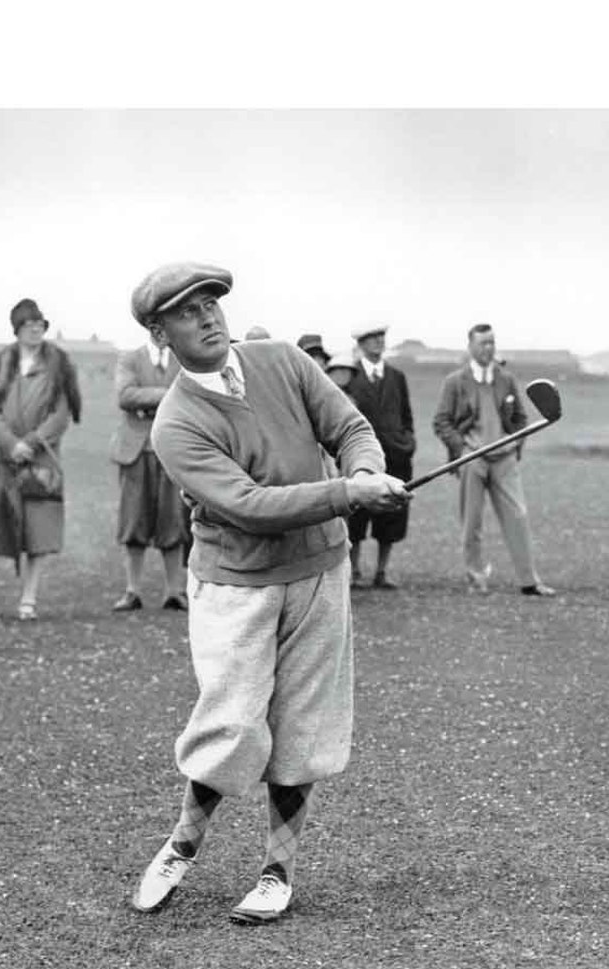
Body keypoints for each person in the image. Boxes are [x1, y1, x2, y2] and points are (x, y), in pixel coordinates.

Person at [127, 261, 409, 924]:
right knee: (230, 725)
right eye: (187, 313)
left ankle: (277, 872)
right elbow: (251, 506)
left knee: (304, 727)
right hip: (237, 585)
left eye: (212, 305)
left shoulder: (282, 359)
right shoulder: (176, 424)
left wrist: (366, 468)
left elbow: (349, 427)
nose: (208, 319)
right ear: (160, 333)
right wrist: (347, 492)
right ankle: (182, 845)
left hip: (319, 570)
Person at [0, 299, 81, 621]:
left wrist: (32, 443)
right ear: (17, 329)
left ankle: (28, 599)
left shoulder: (58, 362)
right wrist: (11, 444)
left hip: (42, 461)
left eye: (40, 324)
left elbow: (61, 413)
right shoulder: (4, 361)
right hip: (4, 459)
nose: (35, 329)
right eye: (29, 325)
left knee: (38, 533)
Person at [432, 323, 555, 596]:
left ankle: (529, 581)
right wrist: (461, 449)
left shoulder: (506, 379)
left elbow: (521, 419)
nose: (488, 348)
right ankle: (476, 579)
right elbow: (441, 421)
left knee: (519, 516)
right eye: (482, 343)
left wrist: (516, 442)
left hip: (505, 459)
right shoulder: (455, 382)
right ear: (470, 347)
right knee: (471, 523)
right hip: (471, 459)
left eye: (491, 343)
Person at [108, 331, 191, 611]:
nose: (160, 331)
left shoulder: (184, 360)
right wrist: (170, 396)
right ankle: (132, 591)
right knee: (133, 520)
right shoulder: (129, 358)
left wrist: (148, 401)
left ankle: (174, 591)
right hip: (135, 449)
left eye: (165, 324)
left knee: (175, 520)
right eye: (153, 324)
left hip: (173, 448)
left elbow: (194, 393)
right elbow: (125, 395)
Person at [335, 323, 416, 589]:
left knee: (392, 517)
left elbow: (406, 416)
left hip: (396, 457)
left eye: (381, 337)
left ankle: (382, 572)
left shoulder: (397, 376)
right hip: (363, 460)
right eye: (372, 338)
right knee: (357, 516)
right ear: (361, 343)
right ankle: (355, 571)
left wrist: (407, 442)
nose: (379, 342)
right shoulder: (350, 378)